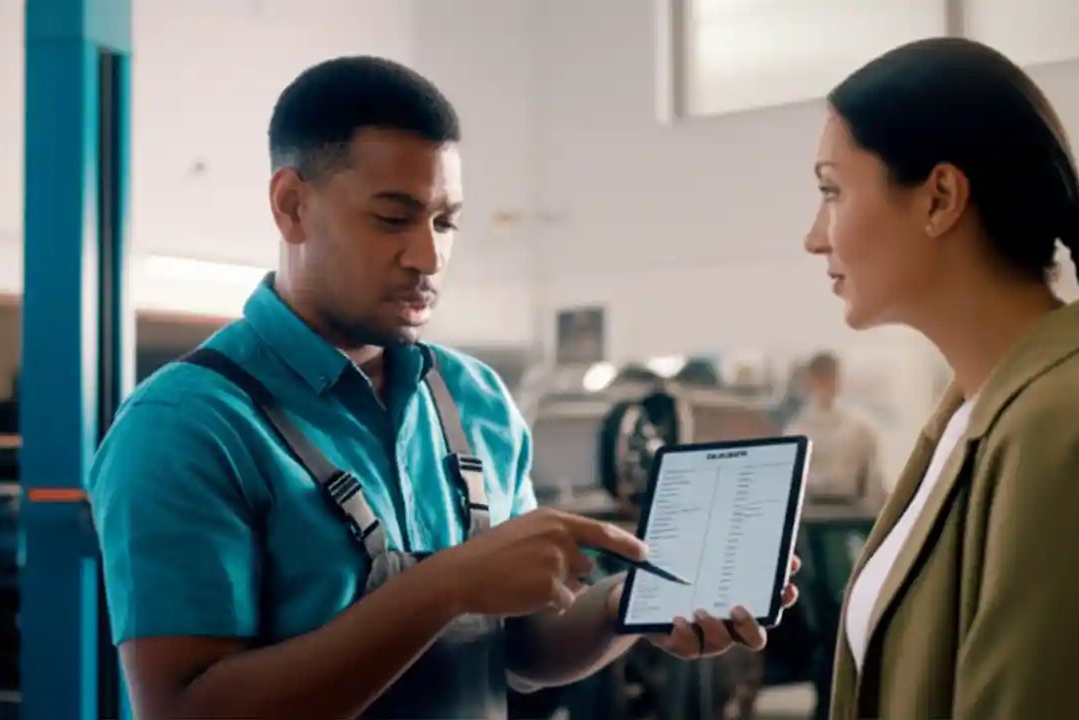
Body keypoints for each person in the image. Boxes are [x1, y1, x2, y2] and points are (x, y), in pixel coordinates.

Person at [88, 56, 796, 720]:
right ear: (292, 206)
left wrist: (626, 606)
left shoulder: (472, 399)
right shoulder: (187, 425)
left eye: (445, 220)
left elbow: (523, 652)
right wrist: (447, 585)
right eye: (392, 218)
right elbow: (184, 708)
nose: (427, 256)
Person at [803, 37, 1079, 719]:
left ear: (940, 197)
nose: (815, 237)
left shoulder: (1073, 429)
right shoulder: (979, 417)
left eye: (831, 191)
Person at [785, 352, 886, 515]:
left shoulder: (859, 428)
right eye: (822, 377)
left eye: (831, 376)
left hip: (850, 512)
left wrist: (873, 517)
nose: (828, 383)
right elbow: (790, 483)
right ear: (811, 380)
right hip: (810, 513)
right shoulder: (797, 432)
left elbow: (873, 480)